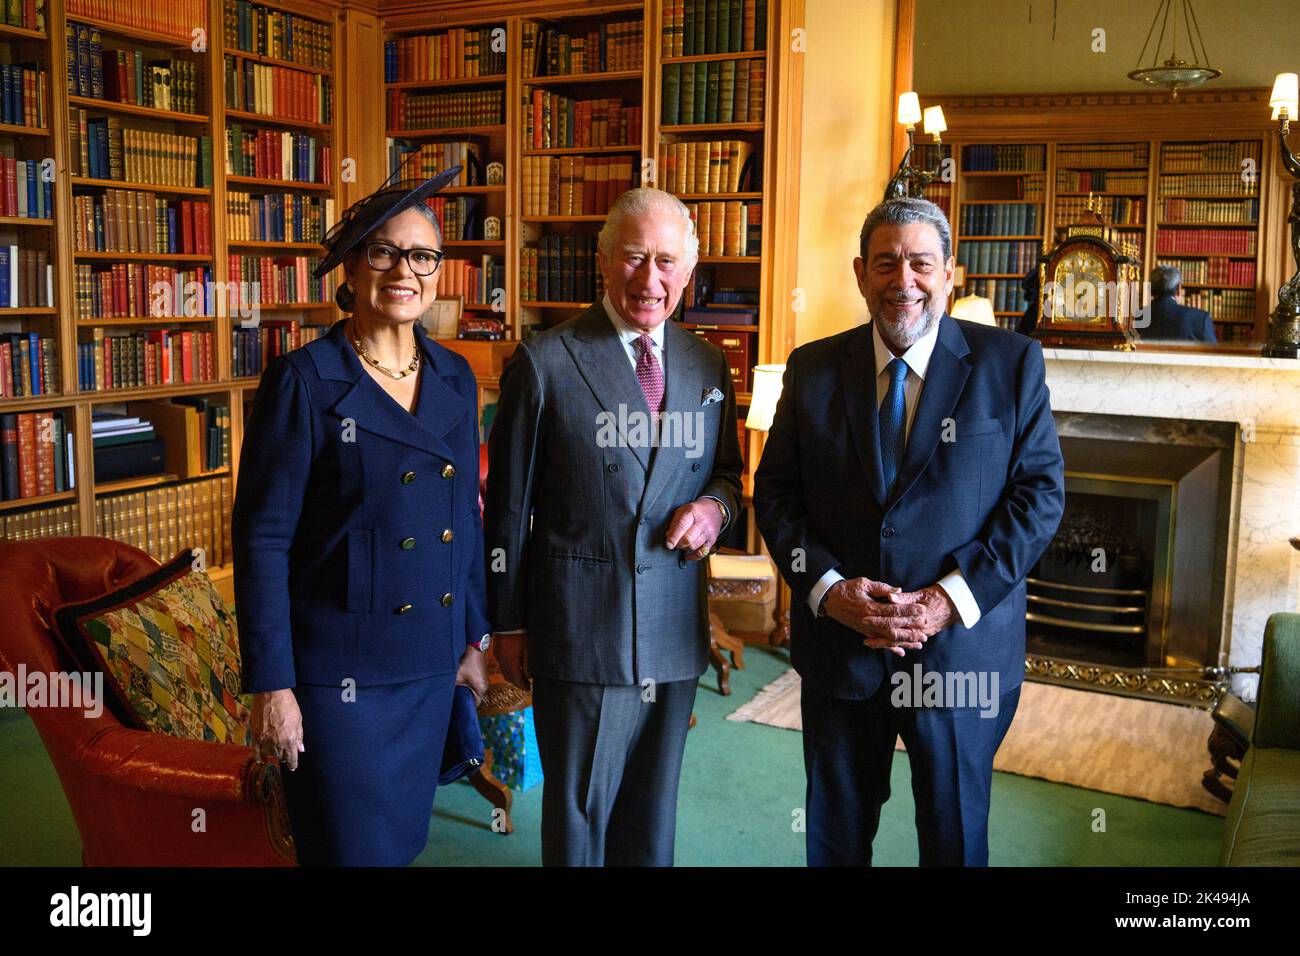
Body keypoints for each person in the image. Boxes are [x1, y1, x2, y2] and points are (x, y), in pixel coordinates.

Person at [753, 197, 1064, 867]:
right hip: (843, 649)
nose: (905, 280)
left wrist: (948, 599)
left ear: (950, 273)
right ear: (861, 273)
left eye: (922, 262)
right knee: (836, 838)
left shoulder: (1010, 364)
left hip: (961, 655)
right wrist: (828, 588)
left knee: (953, 839)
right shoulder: (812, 369)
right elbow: (777, 494)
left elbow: (1039, 497)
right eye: (887, 262)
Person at [232, 166, 492, 866]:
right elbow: (262, 540)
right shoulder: (305, 380)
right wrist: (271, 685)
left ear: (439, 272)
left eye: (422, 255)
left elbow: (464, 520)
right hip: (338, 676)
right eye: (384, 252)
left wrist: (476, 637)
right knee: (347, 850)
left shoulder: (455, 377)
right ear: (351, 267)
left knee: (400, 845)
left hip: (429, 663)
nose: (404, 270)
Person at [484, 187, 743, 866]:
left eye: (666, 262)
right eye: (634, 259)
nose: (649, 280)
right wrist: (508, 624)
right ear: (603, 262)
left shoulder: (707, 364)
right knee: (579, 819)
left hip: (672, 626)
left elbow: (728, 477)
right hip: (581, 630)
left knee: (650, 821)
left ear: (688, 271)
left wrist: (715, 509)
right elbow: (508, 511)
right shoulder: (545, 362)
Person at [1139, 265, 1217, 342]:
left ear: (1150, 289)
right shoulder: (1200, 319)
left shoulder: (1138, 316)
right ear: (1179, 288)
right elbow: (1213, 353)